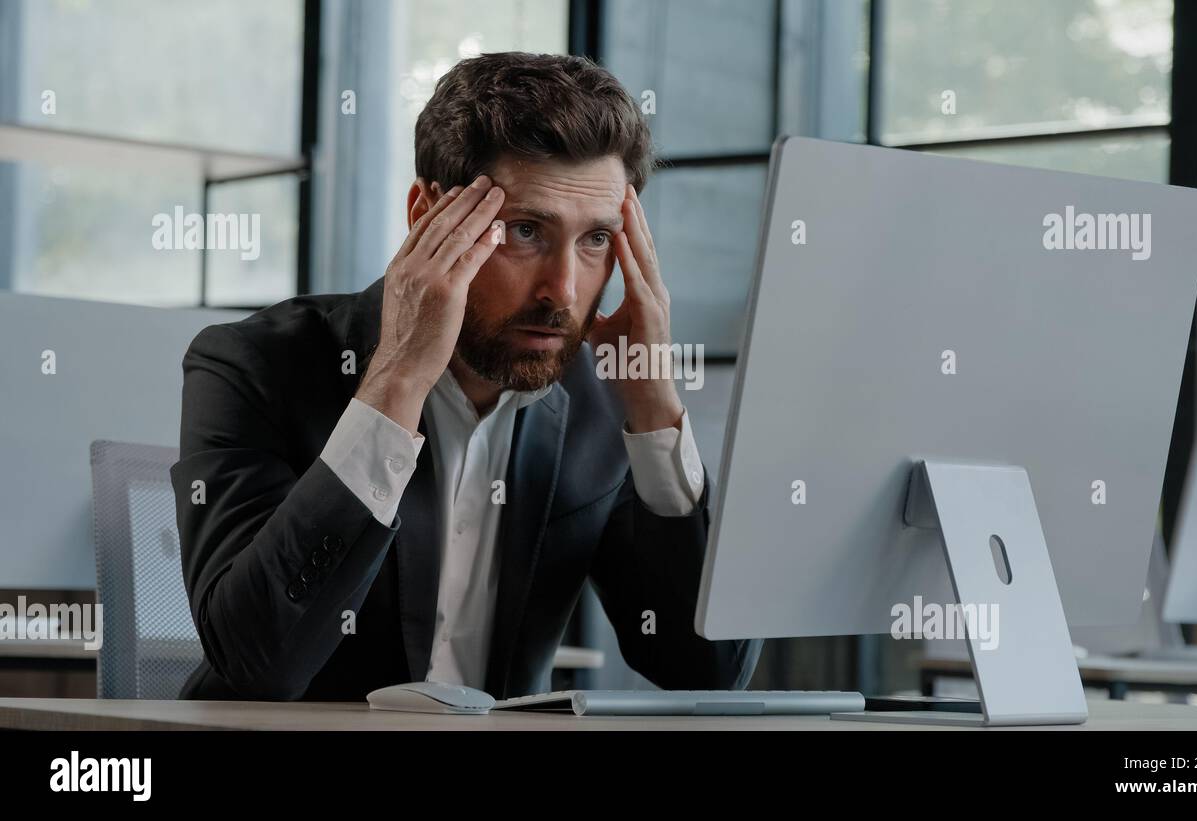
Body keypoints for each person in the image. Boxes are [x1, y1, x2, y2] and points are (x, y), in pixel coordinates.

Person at [170, 51, 762, 700]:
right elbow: (255, 661)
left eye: (596, 240)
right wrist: (395, 385)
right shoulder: (253, 367)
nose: (562, 291)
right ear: (426, 216)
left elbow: (711, 669)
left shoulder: (601, 407)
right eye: (527, 230)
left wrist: (654, 408)